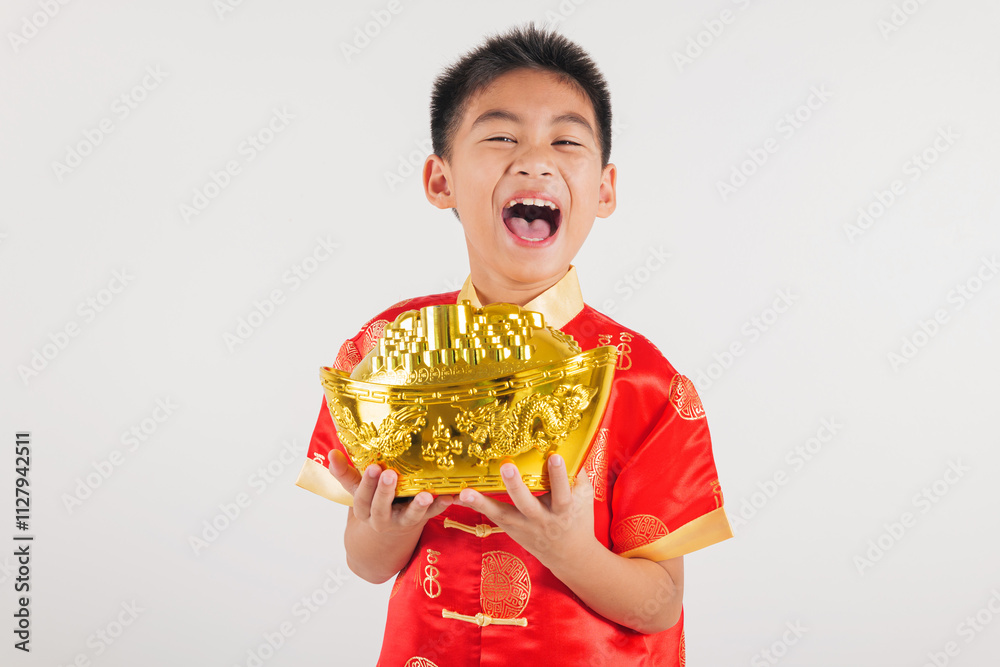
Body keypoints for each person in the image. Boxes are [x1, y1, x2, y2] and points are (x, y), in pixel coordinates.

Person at [296, 23, 733, 666]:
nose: (534, 160)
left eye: (565, 140)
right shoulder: (382, 353)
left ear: (604, 188)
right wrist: (387, 529)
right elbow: (364, 563)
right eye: (501, 136)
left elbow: (660, 604)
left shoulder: (648, 382)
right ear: (440, 180)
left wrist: (568, 547)